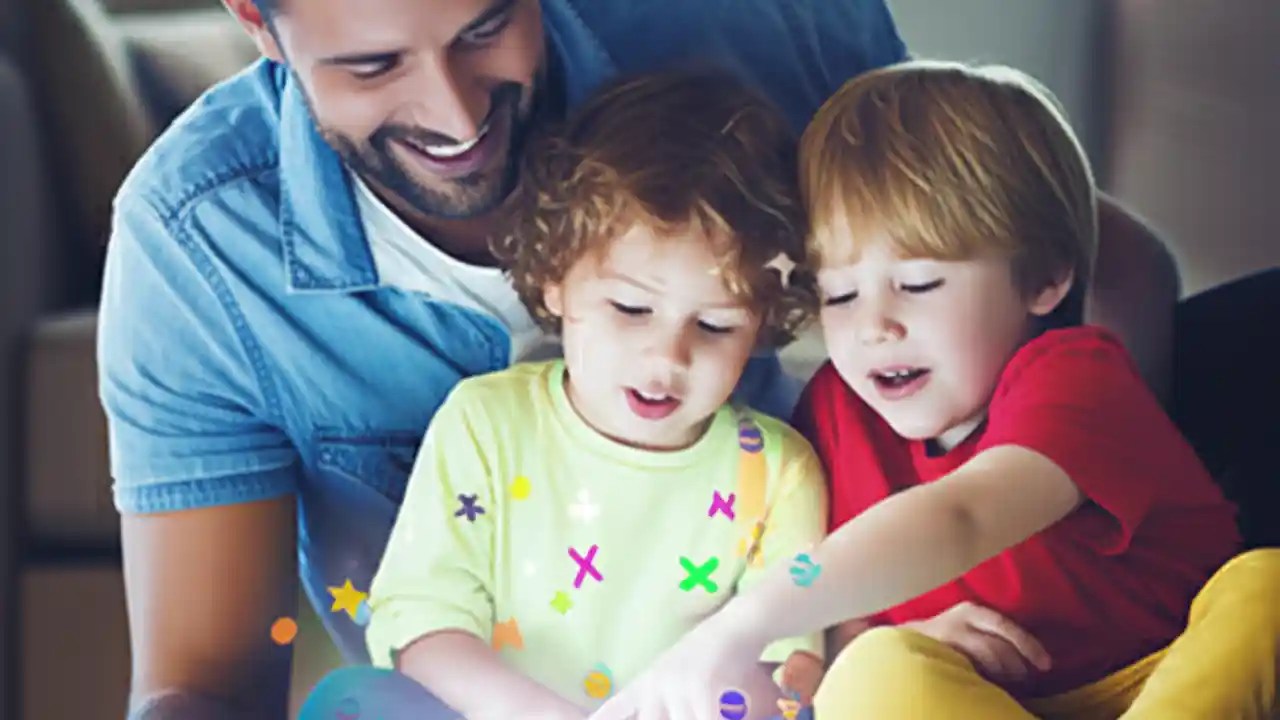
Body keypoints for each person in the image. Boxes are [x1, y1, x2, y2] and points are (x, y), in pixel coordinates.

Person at [97, 1, 1180, 717]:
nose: (455, 112)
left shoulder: (748, 32)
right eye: (373, 64)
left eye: (486, 26)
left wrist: (1066, 572)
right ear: (256, 19)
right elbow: (210, 683)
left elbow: (1091, 255)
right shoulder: (199, 245)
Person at [591, 61, 1280, 720]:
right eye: (840, 295)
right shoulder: (834, 413)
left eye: (918, 285)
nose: (875, 327)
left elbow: (964, 516)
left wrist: (741, 625)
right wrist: (899, 639)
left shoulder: (1076, 377)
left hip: (1162, 675)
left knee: (1264, 590)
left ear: (1044, 277)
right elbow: (839, 629)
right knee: (876, 668)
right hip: (984, 702)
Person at [313, 69, 825, 720]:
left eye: (716, 325)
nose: (668, 356)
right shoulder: (486, 422)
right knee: (348, 701)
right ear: (555, 279)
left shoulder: (779, 470)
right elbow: (422, 626)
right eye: (631, 309)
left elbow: (788, 672)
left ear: (761, 323)